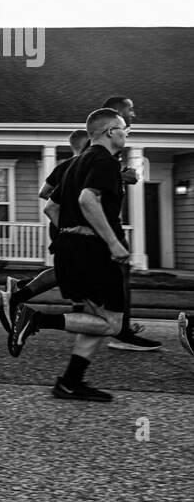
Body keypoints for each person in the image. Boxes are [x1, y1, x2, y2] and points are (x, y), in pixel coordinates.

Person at [8, 108, 131, 401]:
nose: (127, 134)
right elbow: (88, 199)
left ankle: (69, 383)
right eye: (125, 128)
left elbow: (50, 207)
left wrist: (72, 231)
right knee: (112, 323)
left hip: (70, 247)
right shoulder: (105, 161)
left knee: (95, 317)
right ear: (110, 131)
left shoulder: (77, 163)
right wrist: (112, 242)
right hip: (95, 252)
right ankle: (35, 320)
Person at [0, 129, 90, 330]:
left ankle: (20, 292)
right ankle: (16, 297)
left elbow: (44, 192)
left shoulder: (63, 166)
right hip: (68, 225)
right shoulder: (80, 168)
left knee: (67, 270)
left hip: (60, 224)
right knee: (66, 270)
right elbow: (49, 200)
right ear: (86, 145)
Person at [98, 95, 160, 351]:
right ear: (117, 113)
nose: (135, 114)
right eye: (131, 110)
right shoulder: (103, 147)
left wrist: (122, 177)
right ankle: (120, 331)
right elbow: (91, 186)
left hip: (109, 221)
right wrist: (122, 175)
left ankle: (117, 327)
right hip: (105, 223)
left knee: (106, 278)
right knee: (119, 276)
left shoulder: (115, 144)